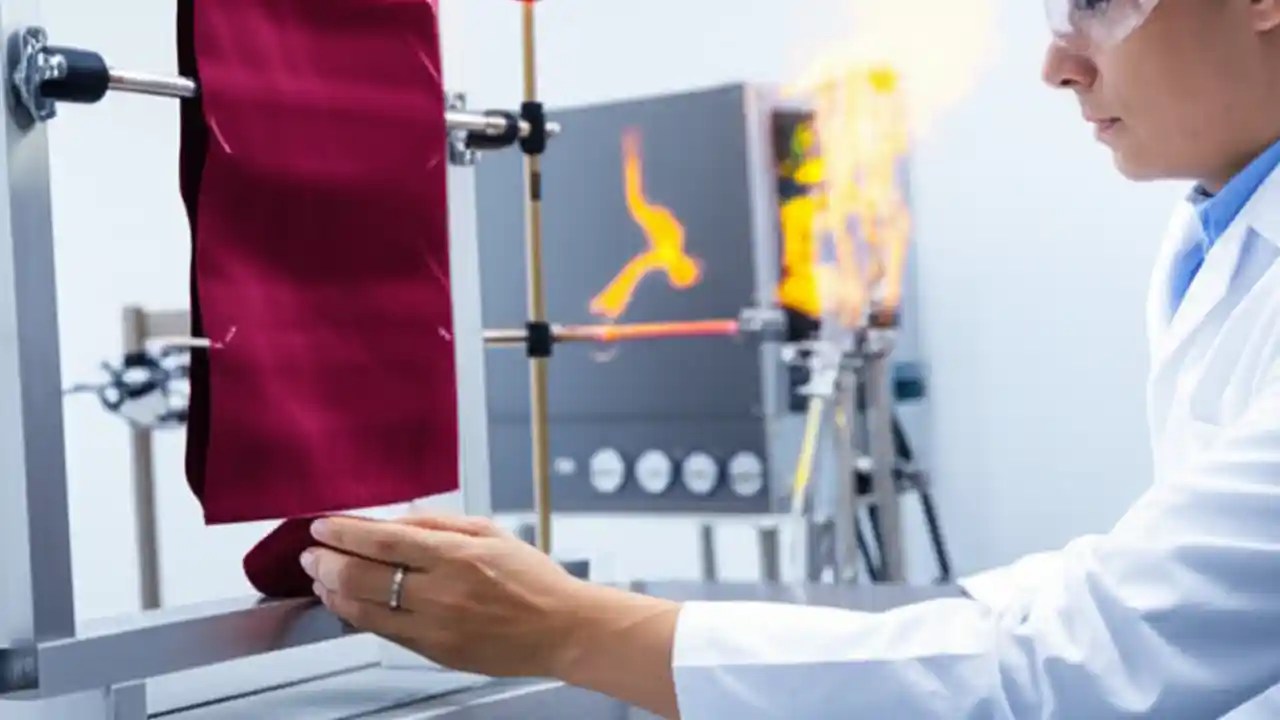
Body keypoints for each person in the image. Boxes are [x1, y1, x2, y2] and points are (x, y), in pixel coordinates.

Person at [298, 0, 1280, 716]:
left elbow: (1085, 660)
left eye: (1098, 3)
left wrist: (574, 629)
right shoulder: (1216, 233)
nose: (1057, 64)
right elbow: (1143, 584)